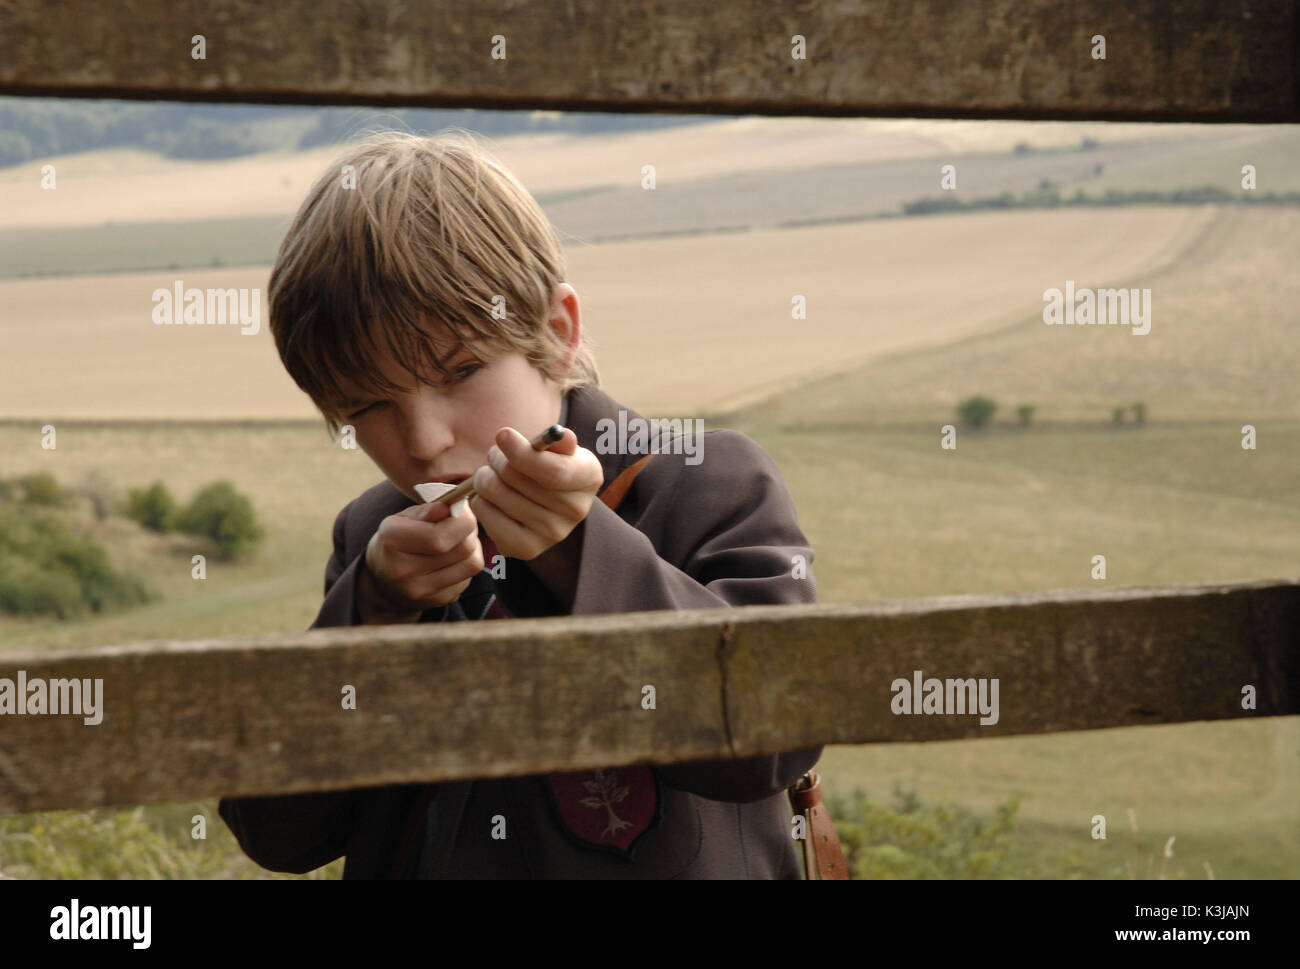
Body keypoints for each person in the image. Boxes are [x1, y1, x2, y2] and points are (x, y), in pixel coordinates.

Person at [218, 129, 823, 879]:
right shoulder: (374, 538)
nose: (424, 439)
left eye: (460, 370)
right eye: (369, 404)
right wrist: (370, 611)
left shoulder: (708, 482)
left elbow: (773, 740)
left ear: (557, 331)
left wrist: (580, 549)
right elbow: (279, 834)